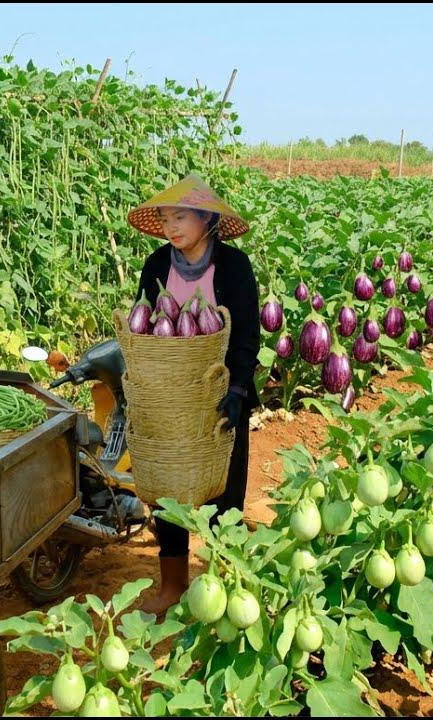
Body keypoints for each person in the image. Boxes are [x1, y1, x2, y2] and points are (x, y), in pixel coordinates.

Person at [125, 173, 260, 616]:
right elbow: (144, 326)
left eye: (180, 216)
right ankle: (174, 585)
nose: (171, 227)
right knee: (169, 487)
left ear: (206, 217)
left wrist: (237, 389)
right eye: (165, 218)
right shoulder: (155, 266)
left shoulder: (235, 267)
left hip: (221, 393)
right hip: (168, 398)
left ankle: (222, 585)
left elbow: (246, 337)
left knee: (226, 489)